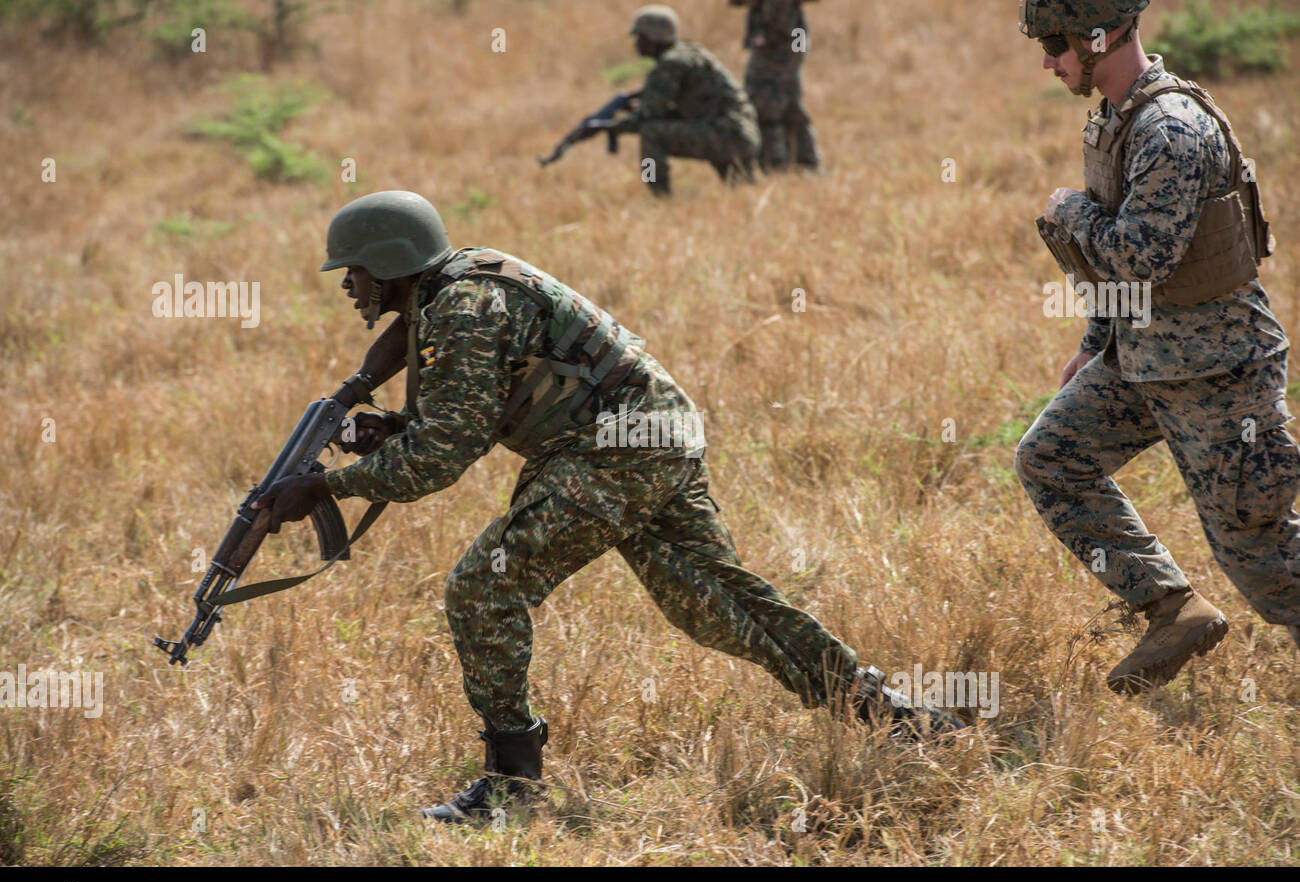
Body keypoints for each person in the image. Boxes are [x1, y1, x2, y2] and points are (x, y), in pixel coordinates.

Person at [253, 190, 960, 822]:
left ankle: (510, 785)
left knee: (484, 586)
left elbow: (444, 456)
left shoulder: (463, 308)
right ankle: (890, 714)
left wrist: (326, 487)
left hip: (610, 447)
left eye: (353, 270)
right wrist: (392, 430)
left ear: (390, 261)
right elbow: (463, 415)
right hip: (655, 431)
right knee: (714, 601)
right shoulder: (459, 287)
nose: (348, 285)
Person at [1014, 0, 1299, 694]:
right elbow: (1121, 265)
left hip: (1218, 374)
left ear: (1101, 36)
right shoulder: (1118, 118)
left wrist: (1068, 210)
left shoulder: (1169, 129)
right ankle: (1172, 609)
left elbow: (1140, 256)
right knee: (1052, 458)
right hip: (1144, 358)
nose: (1048, 60)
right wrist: (1096, 341)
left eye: (1055, 42)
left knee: (1264, 561)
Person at [600, 5, 760, 196]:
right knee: (743, 193)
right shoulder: (687, 53)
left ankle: (659, 194)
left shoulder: (671, 63)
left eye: (641, 38)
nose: (637, 44)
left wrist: (612, 126)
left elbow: (649, 115)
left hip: (726, 134)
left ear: (654, 38)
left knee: (650, 133)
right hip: (739, 134)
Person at [731, 0, 821, 172]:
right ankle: (805, 160)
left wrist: (763, 35)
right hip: (795, 36)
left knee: (765, 101)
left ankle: (775, 162)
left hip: (779, 40)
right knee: (790, 99)